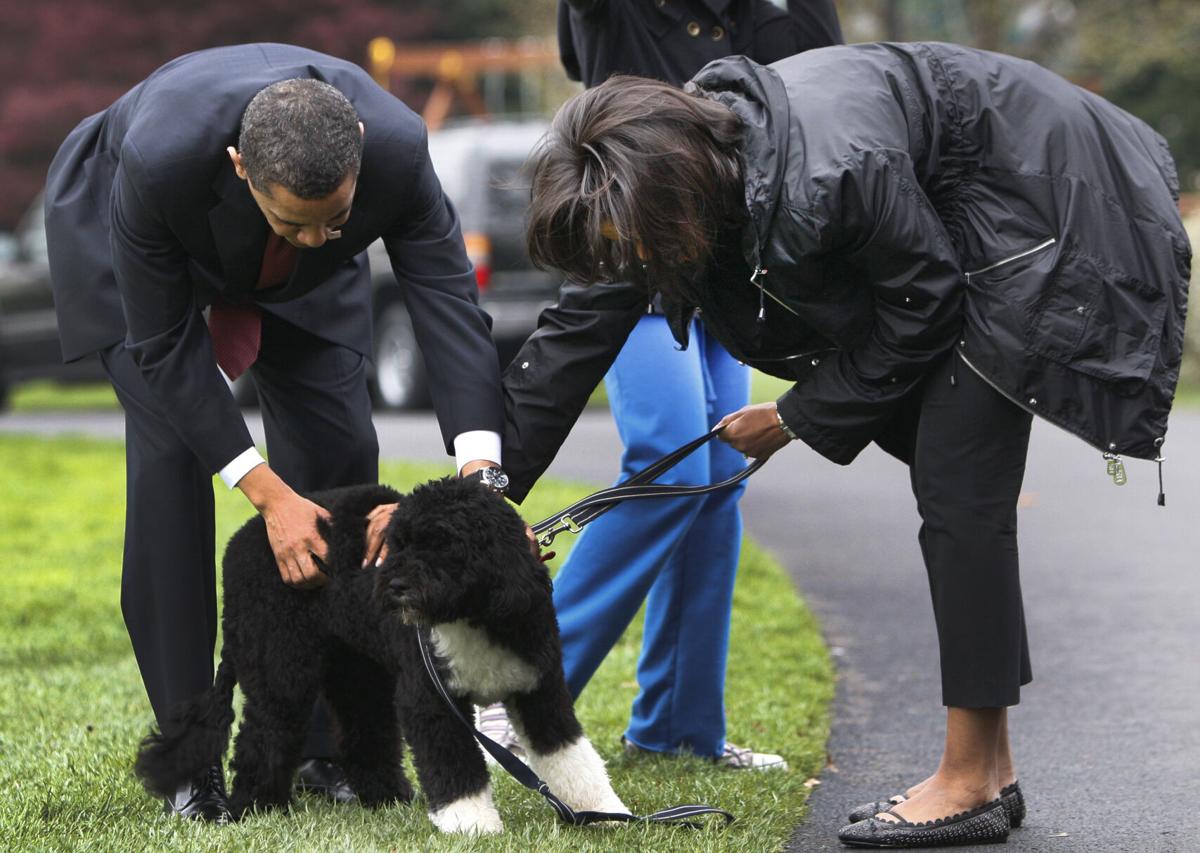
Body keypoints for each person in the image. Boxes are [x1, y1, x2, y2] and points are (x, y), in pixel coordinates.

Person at [502, 44, 1189, 847]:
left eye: (640, 244)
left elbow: (924, 304)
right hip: (950, 222)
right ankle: (991, 775)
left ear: (675, 196)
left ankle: (967, 781)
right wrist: (488, 491)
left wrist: (792, 417)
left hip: (1042, 199)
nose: (638, 262)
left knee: (961, 495)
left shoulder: (828, 171)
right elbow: (573, 336)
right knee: (955, 490)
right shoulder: (658, 182)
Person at [44, 44, 508, 821]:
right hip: (132, 232)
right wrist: (265, 492)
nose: (319, 236)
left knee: (342, 459)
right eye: (296, 220)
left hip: (295, 270)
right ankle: (190, 760)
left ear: (358, 147)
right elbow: (164, 348)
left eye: (337, 218)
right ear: (239, 168)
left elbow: (448, 305)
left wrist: (482, 473)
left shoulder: (394, 152)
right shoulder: (159, 162)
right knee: (171, 462)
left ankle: (330, 745)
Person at [476, 0, 843, 774]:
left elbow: (814, 70)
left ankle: (680, 724)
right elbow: (588, 64)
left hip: (731, 244)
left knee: (717, 478)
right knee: (671, 462)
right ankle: (514, 694)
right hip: (633, 239)